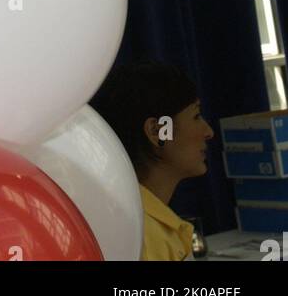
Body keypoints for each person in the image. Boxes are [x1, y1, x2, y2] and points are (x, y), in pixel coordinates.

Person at [92, 60, 214, 261]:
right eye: (196, 116)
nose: (208, 132)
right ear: (158, 132)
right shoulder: (141, 235)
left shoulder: (138, 220)